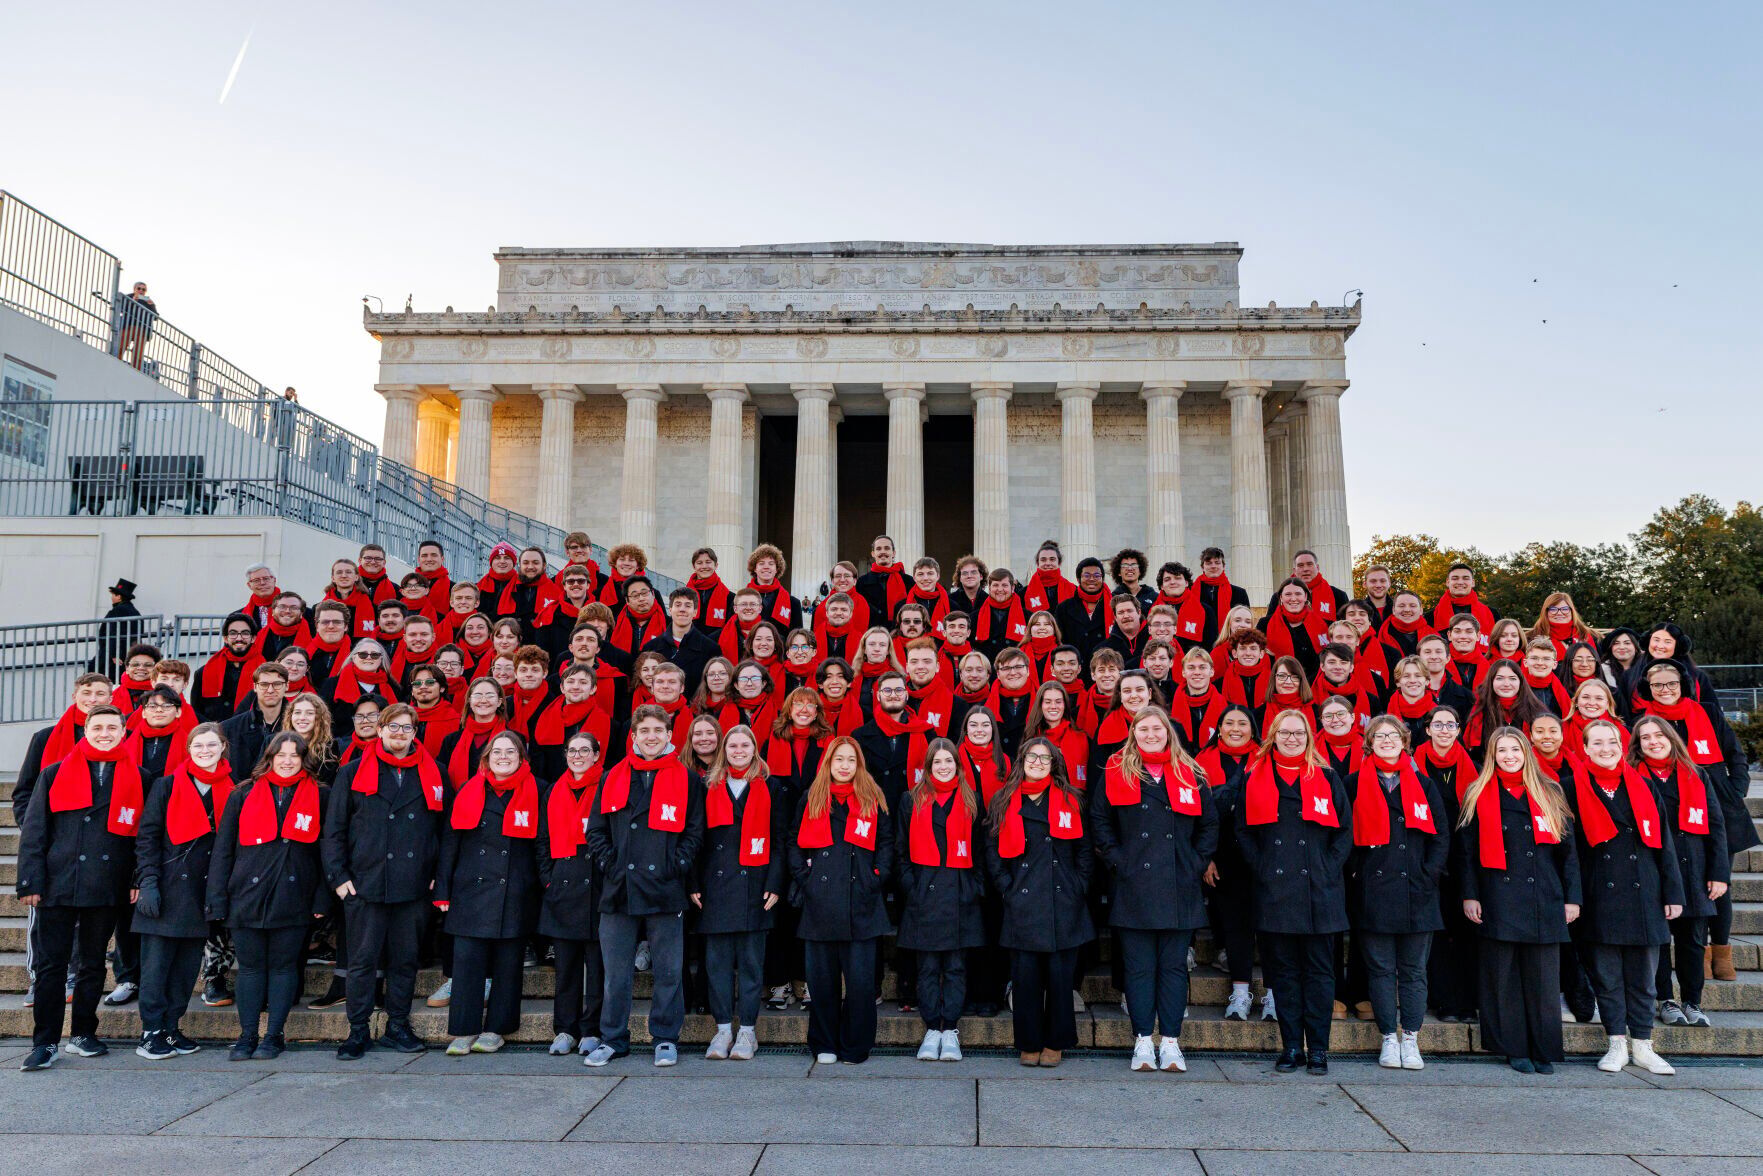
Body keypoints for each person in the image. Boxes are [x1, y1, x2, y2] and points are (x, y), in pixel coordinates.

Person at [1091, 707, 1218, 1073]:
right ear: (1134, 732)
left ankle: (1172, 1042)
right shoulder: (1116, 771)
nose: (1150, 734)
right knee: (1139, 968)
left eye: (1156, 728)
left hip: (1179, 883)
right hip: (1134, 884)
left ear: (1168, 732)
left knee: (1174, 968)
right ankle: (1143, 1040)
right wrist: (1118, 861)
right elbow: (1100, 820)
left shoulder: (1191, 772)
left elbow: (1209, 824)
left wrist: (1195, 861)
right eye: (1143, 728)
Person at [16, 705, 139, 1070]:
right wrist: (30, 881)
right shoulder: (53, 774)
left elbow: (143, 839)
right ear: (86, 731)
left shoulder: (140, 777)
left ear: (123, 732)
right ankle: (46, 1041)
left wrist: (136, 879)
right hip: (58, 883)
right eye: (97, 727)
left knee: (92, 964)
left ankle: (84, 1032)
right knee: (52, 966)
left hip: (107, 884)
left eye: (112, 728)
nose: (104, 733)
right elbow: (35, 831)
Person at [585, 705, 706, 1067]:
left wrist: (677, 865)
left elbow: (694, 831)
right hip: (620, 888)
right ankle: (613, 1038)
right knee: (616, 973)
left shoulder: (687, 778)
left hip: (665, 887)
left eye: (658, 730)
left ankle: (666, 1037)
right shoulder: (613, 776)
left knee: (669, 970)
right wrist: (610, 864)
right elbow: (596, 830)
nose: (651, 736)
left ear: (670, 735)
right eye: (644, 731)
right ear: (633, 736)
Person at [323, 703, 443, 1059]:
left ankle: (397, 1027)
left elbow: (441, 830)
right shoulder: (352, 773)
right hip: (365, 883)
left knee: (404, 962)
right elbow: (333, 831)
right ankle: (357, 1030)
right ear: (379, 729)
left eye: (406, 728)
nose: (398, 734)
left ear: (415, 733)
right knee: (362, 963)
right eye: (392, 727)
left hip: (412, 885)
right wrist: (339, 878)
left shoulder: (433, 772)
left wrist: (436, 874)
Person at [1456, 727, 1579, 1073]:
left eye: (1515, 750)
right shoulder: (1477, 793)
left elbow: (1568, 854)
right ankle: (1513, 1048)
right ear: (1492, 756)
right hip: (1498, 896)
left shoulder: (1550, 791)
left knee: (1542, 979)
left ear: (1527, 753)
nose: (1509, 756)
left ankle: (1543, 1048)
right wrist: (1470, 895)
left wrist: (1573, 899)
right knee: (1503, 978)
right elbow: (1466, 854)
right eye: (1501, 751)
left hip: (1545, 896)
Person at [1237, 709, 1352, 1075]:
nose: (1292, 739)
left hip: (1321, 892)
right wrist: (1264, 869)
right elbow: (1242, 831)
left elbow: (1344, 833)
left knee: (1320, 976)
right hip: (1275, 892)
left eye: (1298, 733)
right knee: (1283, 974)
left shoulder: (1329, 777)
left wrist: (1326, 869)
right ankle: (1291, 1047)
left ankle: (1318, 1049)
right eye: (1284, 733)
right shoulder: (1253, 777)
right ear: (1273, 736)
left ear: (1308, 737)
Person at [207, 731, 327, 1061]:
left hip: (294, 896)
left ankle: (274, 1035)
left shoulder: (321, 794)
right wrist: (217, 897)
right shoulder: (242, 794)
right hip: (246, 895)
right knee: (250, 969)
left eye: (295, 755)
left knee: (283, 967)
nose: (287, 761)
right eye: (281, 755)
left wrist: (321, 898)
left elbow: (325, 853)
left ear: (304, 760)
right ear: (270, 757)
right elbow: (223, 851)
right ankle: (246, 1036)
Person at [1575, 718, 1685, 1076]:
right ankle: (1615, 1044)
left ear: (1621, 746)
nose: (1605, 749)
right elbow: (1569, 852)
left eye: (1611, 742)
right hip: (1599, 894)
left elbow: (1664, 843)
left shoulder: (1644, 785)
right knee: (1606, 976)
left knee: (1642, 978)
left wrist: (1673, 892)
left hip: (1645, 894)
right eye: (1597, 743)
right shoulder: (1570, 786)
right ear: (1586, 748)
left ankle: (1643, 1045)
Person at [984, 734, 1093, 1066]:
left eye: (1045, 758)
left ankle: (1056, 1042)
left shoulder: (1071, 799)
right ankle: (1029, 1041)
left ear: (1054, 763)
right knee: (1026, 978)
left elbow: (1084, 851)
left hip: (1062, 899)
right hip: (1023, 900)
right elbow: (992, 850)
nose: (1037, 763)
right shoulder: (1004, 799)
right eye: (1032, 757)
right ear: (1021, 761)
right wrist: (1007, 887)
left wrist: (1078, 885)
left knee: (1060, 980)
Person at [1349, 716, 1449, 1070]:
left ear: (1405, 741)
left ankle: (1412, 1038)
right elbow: (1345, 835)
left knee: (1413, 971)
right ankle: (1388, 1038)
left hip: (1417, 891)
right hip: (1374, 890)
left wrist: (1429, 873)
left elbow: (1440, 834)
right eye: (1380, 735)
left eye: (1393, 735)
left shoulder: (1423, 783)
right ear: (1369, 742)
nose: (1387, 740)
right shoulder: (1353, 783)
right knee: (1379, 970)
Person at [436, 730, 542, 1057]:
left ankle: (497, 1029)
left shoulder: (539, 790)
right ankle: (464, 1030)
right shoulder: (467, 791)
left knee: (508, 965)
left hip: (515, 889)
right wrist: (443, 890)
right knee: (467, 964)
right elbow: (450, 843)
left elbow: (542, 845)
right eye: (497, 752)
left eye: (510, 752)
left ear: (521, 758)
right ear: (486, 758)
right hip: (470, 890)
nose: (503, 757)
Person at [131, 722, 231, 1059]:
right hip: (165, 886)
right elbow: (147, 837)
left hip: (202, 893)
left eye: (211, 745)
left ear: (222, 747)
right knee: (156, 967)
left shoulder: (233, 790)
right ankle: (151, 1033)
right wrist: (147, 882)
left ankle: (172, 1028)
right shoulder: (166, 785)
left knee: (187, 969)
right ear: (189, 750)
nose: (205, 751)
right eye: (198, 746)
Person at [790, 735, 892, 1064]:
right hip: (820, 902)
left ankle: (856, 1045)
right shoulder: (812, 796)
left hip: (862, 902)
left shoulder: (873, 796)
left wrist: (876, 877)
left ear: (858, 764)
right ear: (829, 763)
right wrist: (806, 880)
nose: (845, 765)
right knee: (822, 983)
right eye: (839, 760)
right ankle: (824, 1044)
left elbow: (887, 842)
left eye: (850, 760)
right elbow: (793, 842)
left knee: (861, 985)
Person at [1631, 716, 1729, 1029]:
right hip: (1655, 869)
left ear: (1671, 738)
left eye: (1658, 735)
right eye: (1645, 737)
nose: (1652, 741)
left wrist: (1719, 873)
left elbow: (1716, 826)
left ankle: (1692, 1001)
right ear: (1638, 744)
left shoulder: (1697, 774)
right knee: (1658, 940)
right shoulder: (1633, 776)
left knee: (1693, 940)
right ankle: (1665, 1000)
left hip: (1694, 869)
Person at [694, 725, 784, 1061]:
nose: (738, 749)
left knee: (750, 963)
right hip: (714, 888)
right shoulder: (707, 786)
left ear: (754, 748)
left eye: (745, 744)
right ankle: (721, 1030)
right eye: (732, 744)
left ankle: (747, 1031)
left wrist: (775, 882)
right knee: (716, 964)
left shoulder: (772, 787)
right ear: (724, 749)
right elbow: (695, 839)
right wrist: (693, 883)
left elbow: (779, 840)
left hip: (756, 886)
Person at [895, 738, 984, 1062]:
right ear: (928, 767)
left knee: (957, 967)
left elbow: (982, 848)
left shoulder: (971, 799)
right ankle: (933, 1027)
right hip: (925, 893)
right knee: (928, 967)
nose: (944, 767)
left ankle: (951, 1030)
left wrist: (974, 886)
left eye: (949, 761)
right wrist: (912, 886)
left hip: (960, 894)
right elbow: (900, 850)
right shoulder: (911, 800)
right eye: (937, 762)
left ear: (957, 766)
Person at [1193, 704, 1267, 1021]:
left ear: (1253, 729)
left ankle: (1274, 995)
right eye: (1228, 723)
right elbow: (1195, 817)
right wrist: (1205, 858)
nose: (1235, 728)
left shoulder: (1267, 758)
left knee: (1268, 927)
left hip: (1263, 855)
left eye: (1242, 723)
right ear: (1218, 729)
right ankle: (1240, 994)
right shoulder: (1200, 762)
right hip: (1222, 857)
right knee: (1236, 927)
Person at [539, 729, 606, 1057]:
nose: (577, 756)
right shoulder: (553, 790)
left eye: (584, 750)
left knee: (597, 966)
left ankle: (592, 1030)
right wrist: (549, 878)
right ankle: (565, 1029)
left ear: (596, 755)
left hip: (597, 884)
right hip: (563, 886)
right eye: (572, 750)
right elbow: (541, 839)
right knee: (565, 967)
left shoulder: (607, 786)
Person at [115, 281, 157, 368]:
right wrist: (132, 301)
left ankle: (135, 369)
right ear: (134, 289)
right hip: (128, 325)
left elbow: (156, 317)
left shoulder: (148, 301)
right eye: (139, 288)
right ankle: (116, 362)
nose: (141, 291)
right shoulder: (127, 297)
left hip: (143, 329)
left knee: (138, 353)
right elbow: (121, 309)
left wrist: (152, 305)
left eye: (143, 289)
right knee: (121, 346)